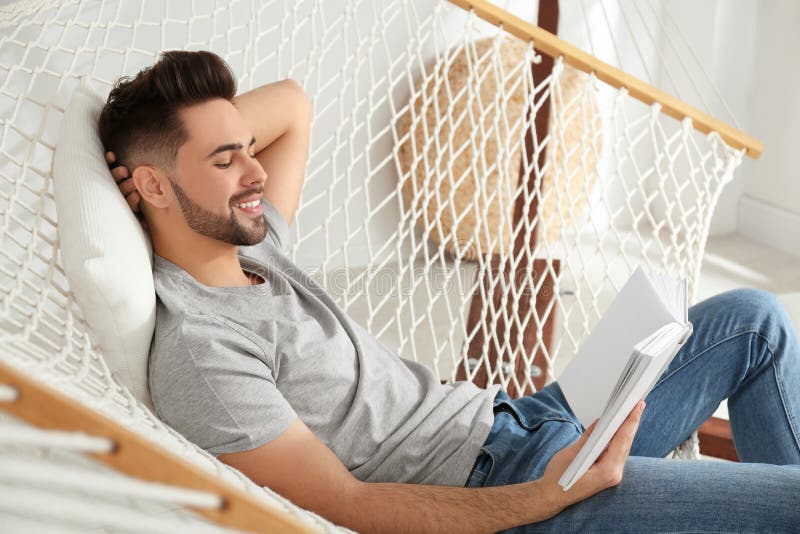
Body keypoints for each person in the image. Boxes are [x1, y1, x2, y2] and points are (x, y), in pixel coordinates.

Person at [99, 50, 800, 533]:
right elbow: (349, 506)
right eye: (226, 158)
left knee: (756, 318)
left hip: (521, 419)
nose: (255, 172)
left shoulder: (254, 243)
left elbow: (292, 105)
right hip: (509, 486)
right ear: (156, 186)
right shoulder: (203, 351)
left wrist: (181, 156)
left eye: (249, 147)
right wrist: (541, 499)